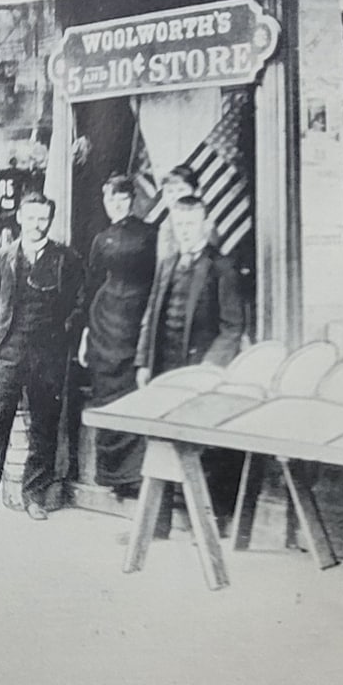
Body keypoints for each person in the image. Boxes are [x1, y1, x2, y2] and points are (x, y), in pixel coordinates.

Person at [0, 191, 85, 528]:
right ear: (20, 219)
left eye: (43, 218)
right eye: (32, 218)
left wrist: (64, 332)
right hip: (8, 354)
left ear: (50, 220)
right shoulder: (1, 259)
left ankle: (34, 497)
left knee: (43, 430)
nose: (37, 224)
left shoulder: (66, 259)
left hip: (48, 357)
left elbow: (80, 303)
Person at [135, 194, 243, 537]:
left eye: (191, 224)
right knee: (160, 442)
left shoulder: (221, 267)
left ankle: (209, 528)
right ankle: (157, 525)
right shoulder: (167, 263)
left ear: (205, 226)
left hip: (200, 372)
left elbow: (232, 327)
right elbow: (151, 315)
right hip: (164, 368)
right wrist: (143, 362)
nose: (184, 230)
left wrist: (210, 370)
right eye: (179, 224)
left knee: (203, 448)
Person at [78, 174, 156, 497]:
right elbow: (92, 283)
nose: (116, 205)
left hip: (135, 318)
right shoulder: (101, 239)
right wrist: (85, 330)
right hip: (104, 324)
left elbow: (156, 281)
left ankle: (133, 476)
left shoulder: (149, 234)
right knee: (106, 394)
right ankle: (112, 475)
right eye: (110, 199)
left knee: (132, 392)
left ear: (132, 200)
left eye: (122, 199)